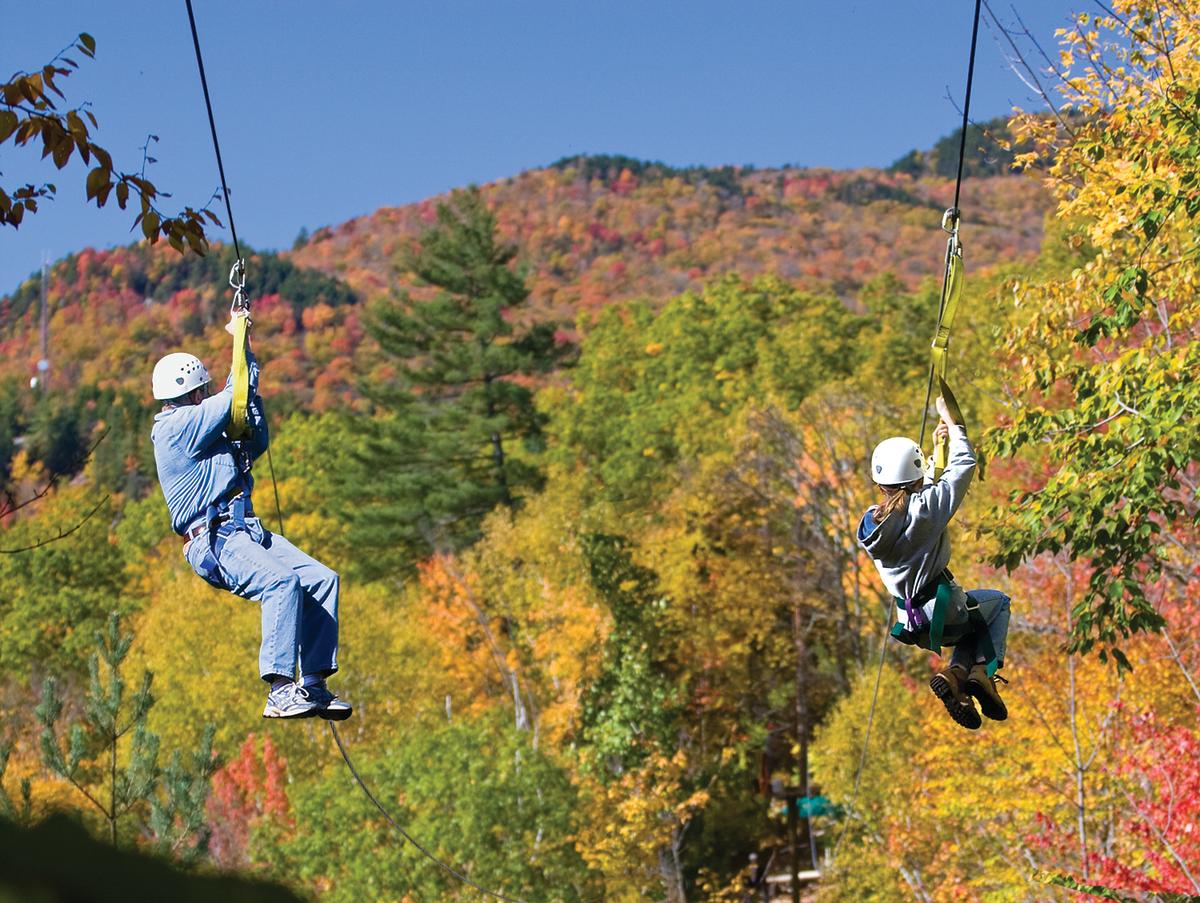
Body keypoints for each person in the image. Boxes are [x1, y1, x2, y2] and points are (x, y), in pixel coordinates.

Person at [149, 316, 351, 721]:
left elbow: (253, 435)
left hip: (245, 530)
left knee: (321, 580)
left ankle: (312, 684)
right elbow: (233, 394)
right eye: (202, 390)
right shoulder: (176, 428)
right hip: (216, 536)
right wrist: (242, 343)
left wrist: (248, 378)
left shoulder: (206, 432)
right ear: (192, 392)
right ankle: (279, 690)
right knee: (282, 582)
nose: (206, 394)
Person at [856, 396, 1010, 730]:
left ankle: (957, 677)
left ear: (878, 483)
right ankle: (982, 674)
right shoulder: (926, 510)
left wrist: (935, 452)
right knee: (997, 603)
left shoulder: (872, 523)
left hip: (910, 621)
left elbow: (913, 496)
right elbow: (963, 467)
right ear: (914, 479)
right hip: (943, 609)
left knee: (973, 625)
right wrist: (955, 426)